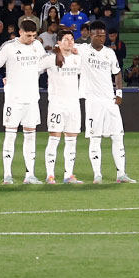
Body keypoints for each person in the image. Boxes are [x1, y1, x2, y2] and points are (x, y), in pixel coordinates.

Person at [77, 22, 134, 184]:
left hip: (110, 101)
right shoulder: (82, 50)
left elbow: (117, 73)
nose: (101, 38)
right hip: (93, 102)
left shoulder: (109, 53)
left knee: (118, 136)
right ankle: (97, 174)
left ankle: (121, 174)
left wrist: (119, 92)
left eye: (103, 35)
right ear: (90, 35)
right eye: (98, 35)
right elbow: (64, 47)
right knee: (95, 138)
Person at [0, 17, 50, 185]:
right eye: (28, 35)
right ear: (20, 33)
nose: (31, 39)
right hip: (14, 100)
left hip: (32, 99)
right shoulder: (9, 47)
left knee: (30, 137)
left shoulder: (38, 46)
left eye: (34, 35)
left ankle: (30, 174)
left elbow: (43, 66)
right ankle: (7, 174)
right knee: (10, 136)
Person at [45, 32, 85, 183]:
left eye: (72, 39)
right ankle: (50, 175)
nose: (69, 42)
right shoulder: (51, 59)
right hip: (57, 105)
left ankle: (69, 175)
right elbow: (34, 69)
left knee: (71, 141)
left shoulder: (78, 59)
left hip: (74, 105)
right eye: (66, 40)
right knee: (54, 139)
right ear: (59, 43)